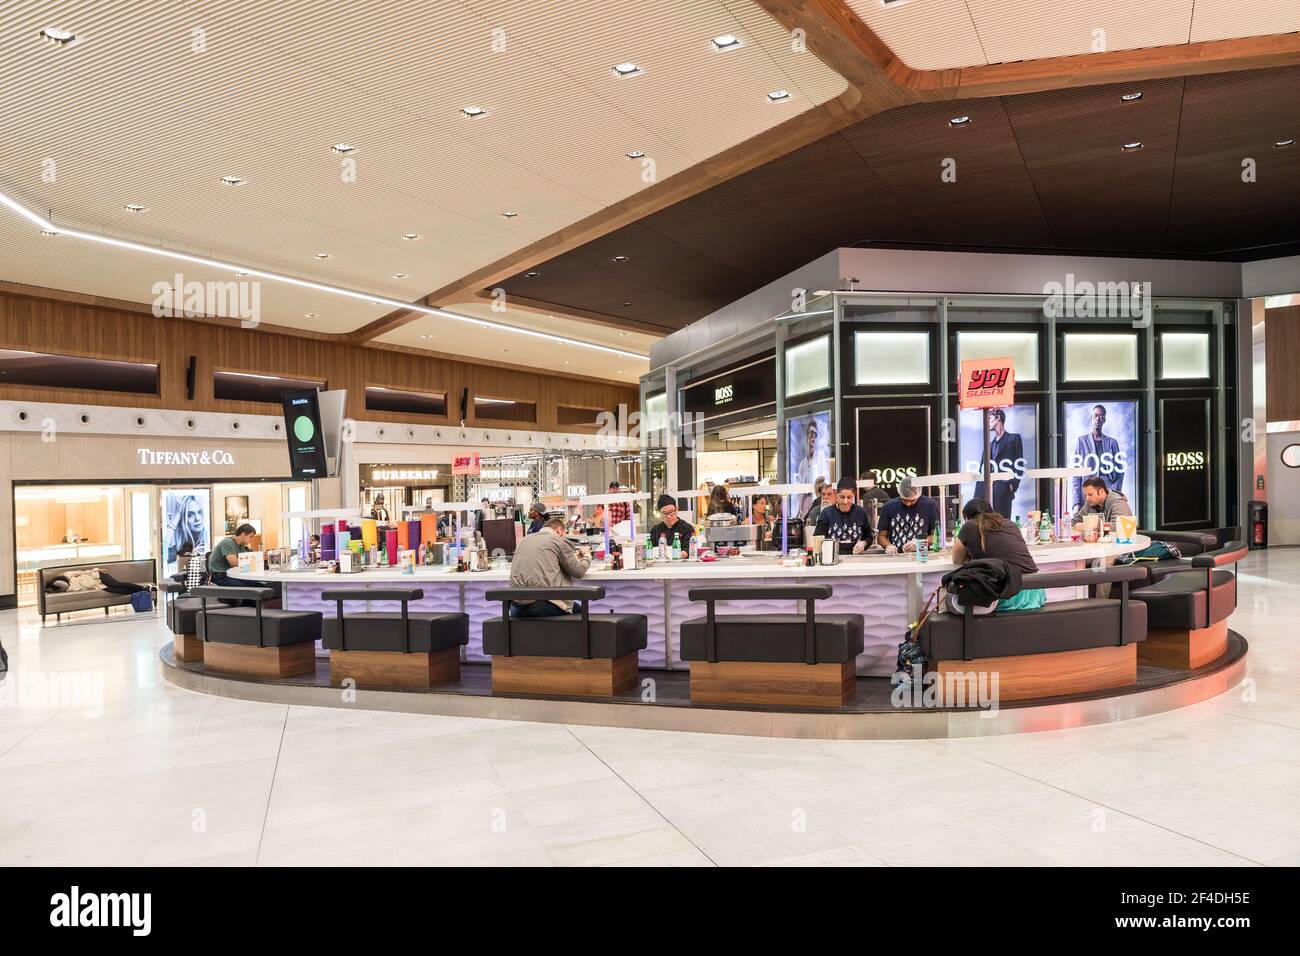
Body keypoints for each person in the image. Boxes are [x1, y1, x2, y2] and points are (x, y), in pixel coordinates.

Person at [950, 498, 1045, 613]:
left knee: (954, 600)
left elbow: (956, 559)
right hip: (1036, 592)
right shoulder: (1010, 524)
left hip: (1009, 595)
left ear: (967, 517)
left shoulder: (969, 526)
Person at [507, 517, 591, 617]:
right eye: (564, 534)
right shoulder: (557, 540)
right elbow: (579, 572)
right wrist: (587, 555)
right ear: (559, 531)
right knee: (582, 615)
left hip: (516, 607)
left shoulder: (524, 539)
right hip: (543, 605)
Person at [1071, 404, 1125, 508]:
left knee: (1108, 523)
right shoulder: (1082, 441)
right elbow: (1076, 475)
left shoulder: (1112, 443)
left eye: (1101, 417)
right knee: (1089, 523)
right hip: (1089, 491)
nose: (1098, 419)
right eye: (1095, 415)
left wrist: (1114, 490)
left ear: (1104, 420)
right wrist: (1076, 503)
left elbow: (1120, 472)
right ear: (1091, 418)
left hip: (1108, 491)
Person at [974, 408, 1025, 518]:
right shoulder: (989, 445)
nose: (986, 422)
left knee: (1003, 521)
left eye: (989, 418)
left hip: (1005, 489)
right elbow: (981, 469)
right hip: (988, 491)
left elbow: (1019, 464)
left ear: (998, 418)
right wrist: (977, 496)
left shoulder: (1013, 439)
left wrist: (1013, 486)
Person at [878, 476, 941, 553]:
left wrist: (919, 543)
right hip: (896, 556)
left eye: (912, 500)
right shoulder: (889, 506)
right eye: (904, 500)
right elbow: (881, 536)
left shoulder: (930, 505)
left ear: (918, 495)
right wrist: (888, 545)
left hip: (921, 555)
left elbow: (936, 535)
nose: (908, 504)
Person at [813, 478, 873, 554]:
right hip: (832, 559)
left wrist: (863, 543)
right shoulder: (826, 513)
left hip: (856, 558)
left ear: (854, 496)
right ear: (836, 495)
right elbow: (817, 539)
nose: (845, 501)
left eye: (849, 497)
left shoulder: (861, 512)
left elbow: (869, 537)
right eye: (842, 497)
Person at [793, 419, 829, 514]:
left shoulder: (821, 456)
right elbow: (799, 491)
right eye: (811, 434)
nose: (813, 437)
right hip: (805, 503)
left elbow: (825, 481)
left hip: (817, 500)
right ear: (807, 436)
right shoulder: (802, 464)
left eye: (815, 435)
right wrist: (798, 510)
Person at [167, 494, 207, 563]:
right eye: (190, 515)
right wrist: (176, 518)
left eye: (199, 512)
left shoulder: (206, 541)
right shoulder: (176, 546)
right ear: (182, 519)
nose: (197, 518)